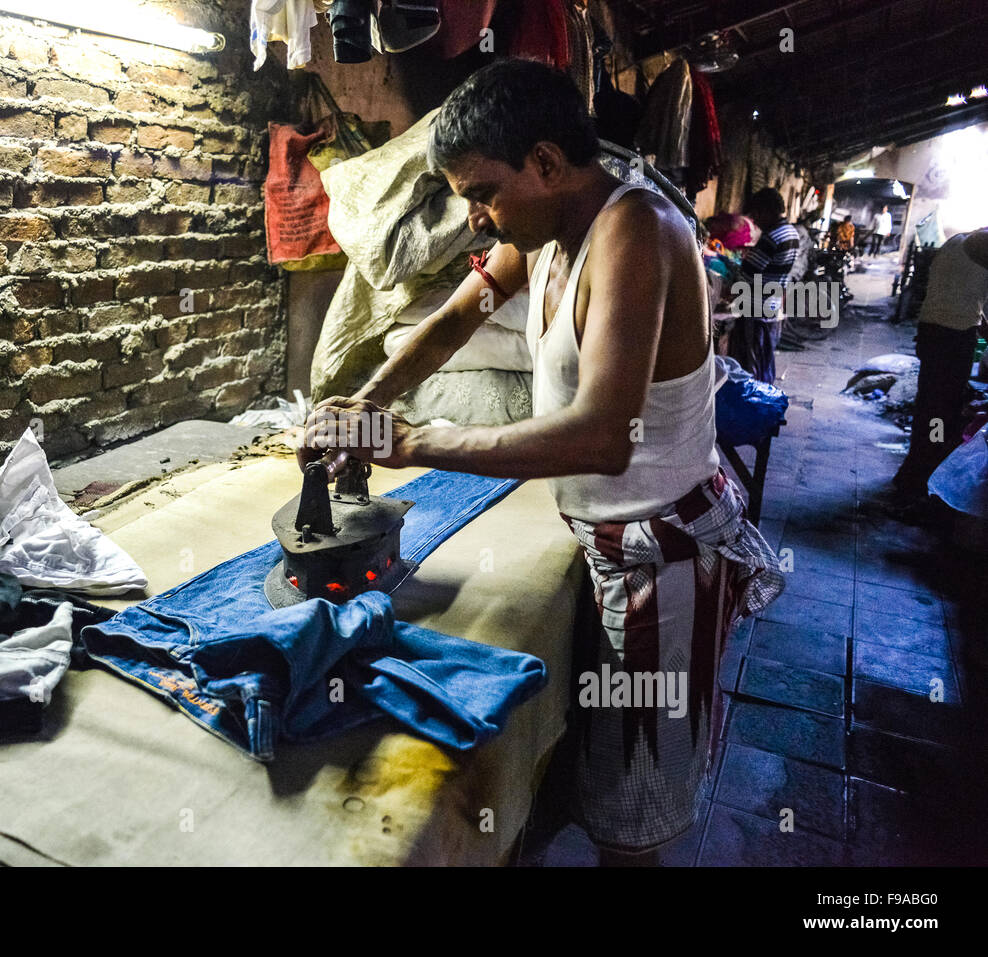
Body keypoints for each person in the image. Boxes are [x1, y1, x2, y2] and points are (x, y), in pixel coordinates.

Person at [298, 58, 783, 865]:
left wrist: (408, 443)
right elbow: (455, 323)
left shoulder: (636, 234)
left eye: (482, 192)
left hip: (660, 554)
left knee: (633, 806)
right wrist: (370, 401)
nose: (476, 217)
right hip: (606, 541)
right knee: (583, 765)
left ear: (548, 163)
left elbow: (600, 436)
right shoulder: (548, 233)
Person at [892, 227, 988, 510]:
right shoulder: (982, 256)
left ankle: (912, 473)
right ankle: (923, 477)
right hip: (953, 341)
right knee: (941, 413)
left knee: (928, 406)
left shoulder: (955, 244)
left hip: (931, 334)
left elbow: (963, 299)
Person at [728, 187, 799, 383]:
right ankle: (762, 388)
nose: (755, 220)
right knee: (763, 354)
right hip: (772, 304)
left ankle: (752, 394)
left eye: (757, 214)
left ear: (768, 211)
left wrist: (731, 276)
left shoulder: (772, 237)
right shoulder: (791, 232)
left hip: (756, 308)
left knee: (750, 359)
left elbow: (747, 274)